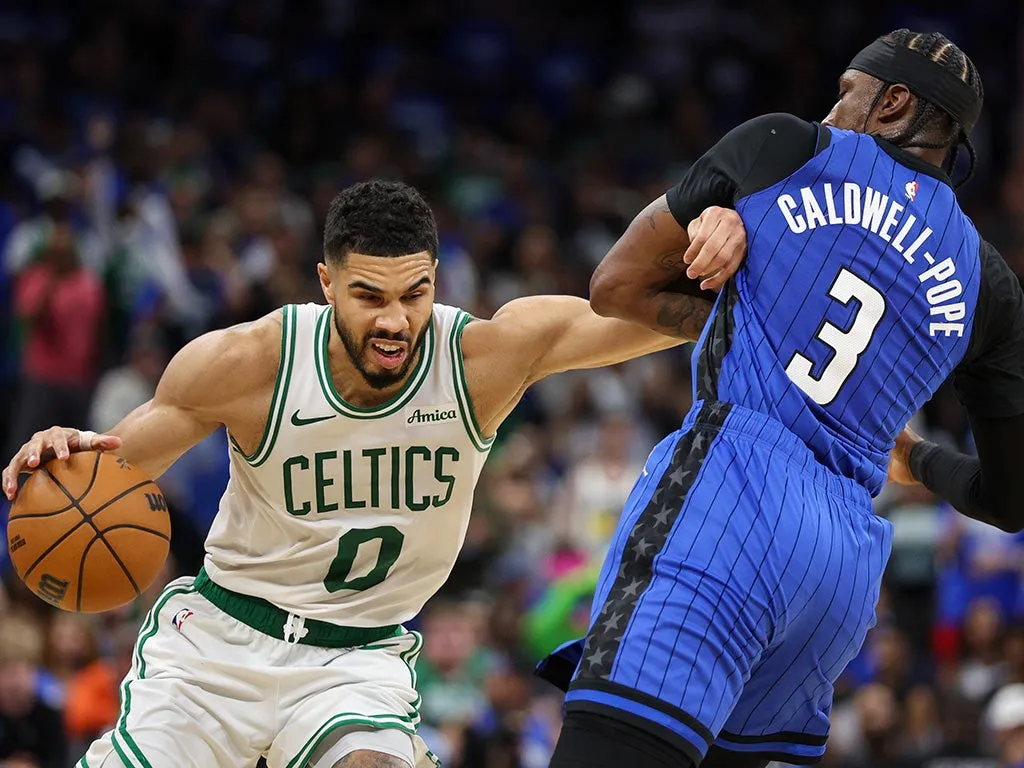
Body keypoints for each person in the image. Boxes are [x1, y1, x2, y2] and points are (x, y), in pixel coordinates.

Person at [2, 179, 745, 768]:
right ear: (327, 283)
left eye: (414, 294)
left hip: (355, 658)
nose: (395, 320)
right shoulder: (249, 363)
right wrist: (71, 451)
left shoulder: (480, 360)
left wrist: (740, 247)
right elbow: (114, 469)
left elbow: (652, 314)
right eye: (369, 296)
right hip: (221, 642)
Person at [537, 29, 1024, 768]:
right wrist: (918, 459)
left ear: (891, 103)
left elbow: (614, 286)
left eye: (846, 93)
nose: (830, 109)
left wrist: (743, 303)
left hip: (733, 495)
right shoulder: (990, 280)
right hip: (842, 566)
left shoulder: (787, 146)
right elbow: (1012, 499)